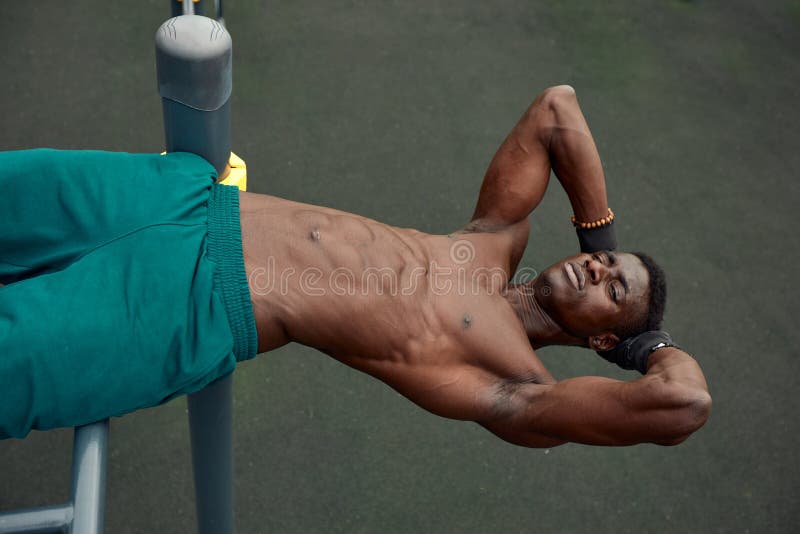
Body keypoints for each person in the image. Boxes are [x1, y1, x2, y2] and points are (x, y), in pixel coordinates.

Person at [0, 86, 710, 444]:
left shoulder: (513, 385)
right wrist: (601, 238)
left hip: (193, 302)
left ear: (604, 341)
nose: (599, 271)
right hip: (181, 200)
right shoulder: (494, 237)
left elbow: (680, 404)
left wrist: (652, 345)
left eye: (614, 289)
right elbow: (557, 109)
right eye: (607, 263)